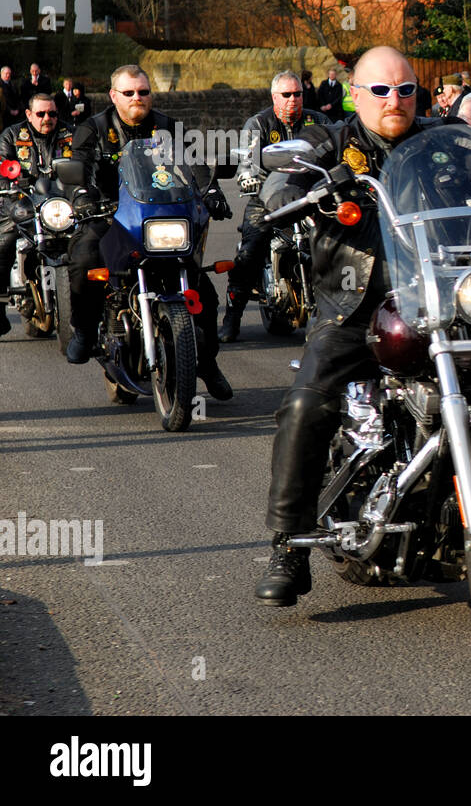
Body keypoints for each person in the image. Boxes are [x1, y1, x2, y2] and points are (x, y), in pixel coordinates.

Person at [254, 47, 441, 606]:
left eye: (406, 89)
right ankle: (289, 546)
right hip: (354, 310)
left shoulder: (438, 142)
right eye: (381, 90)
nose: (395, 100)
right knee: (305, 405)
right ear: (355, 94)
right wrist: (297, 195)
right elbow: (282, 182)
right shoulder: (328, 143)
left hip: (441, 306)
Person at [64, 65, 233, 399]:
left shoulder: (169, 126)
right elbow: (79, 168)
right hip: (113, 215)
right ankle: (83, 330)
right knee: (84, 257)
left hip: (162, 217)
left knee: (204, 290)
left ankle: (207, 362)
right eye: (129, 93)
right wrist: (82, 195)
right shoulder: (93, 128)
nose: (137, 98)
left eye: (143, 92)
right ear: (114, 96)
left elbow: (194, 163)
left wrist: (210, 189)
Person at [218, 70, 328, 341]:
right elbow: (248, 161)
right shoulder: (259, 123)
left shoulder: (320, 121)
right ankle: (232, 317)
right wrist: (247, 177)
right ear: (274, 97)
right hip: (267, 196)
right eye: (286, 95)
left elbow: (336, 154)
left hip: (309, 196)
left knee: (339, 240)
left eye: (298, 94)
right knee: (250, 251)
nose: (293, 100)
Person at [0, 93, 77, 336]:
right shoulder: (12, 136)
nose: (47, 118)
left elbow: (87, 163)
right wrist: (11, 183)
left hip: (62, 202)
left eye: (52, 113)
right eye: (41, 114)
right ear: (29, 114)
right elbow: (2, 166)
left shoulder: (71, 134)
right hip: (21, 199)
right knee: (4, 240)